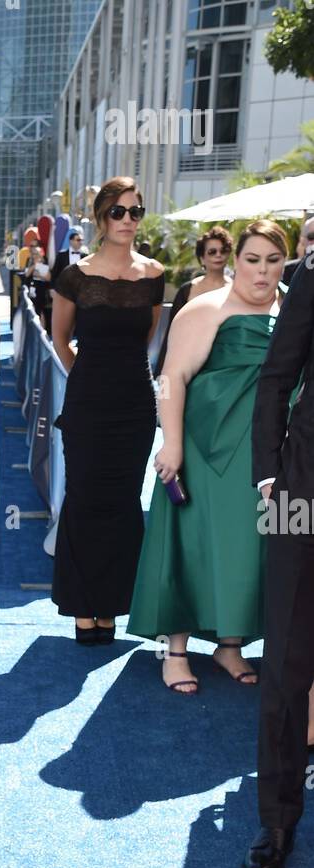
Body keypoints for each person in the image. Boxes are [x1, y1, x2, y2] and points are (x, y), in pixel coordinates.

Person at [128, 220, 288, 692]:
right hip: (205, 449)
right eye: (252, 260)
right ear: (235, 259)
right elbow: (172, 378)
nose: (262, 272)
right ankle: (174, 652)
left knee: (245, 549)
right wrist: (172, 444)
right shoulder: (205, 309)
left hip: (262, 455)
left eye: (273, 261)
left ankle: (229, 645)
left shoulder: (290, 309)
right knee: (191, 544)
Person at [50, 176, 164, 644]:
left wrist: (124, 382)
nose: (128, 220)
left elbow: (149, 341)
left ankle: (112, 604)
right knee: (84, 498)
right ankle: (82, 606)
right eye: (118, 211)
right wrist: (89, 378)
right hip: (88, 403)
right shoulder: (75, 275)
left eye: (135, 211)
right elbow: (60, 340)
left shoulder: (154, 274)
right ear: (100, 218)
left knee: (122, 503)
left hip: (136, 405)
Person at [244, 248, 314, 868]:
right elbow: (276, 377)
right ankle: (277, 819)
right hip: (300, 497)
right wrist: (269, 478)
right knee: (286, 662)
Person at [153, 226, 232, 378]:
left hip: (224, 365)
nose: (218, 255)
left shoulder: (236, 289)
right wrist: (162, 377)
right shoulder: (187, 290)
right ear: (202, 258)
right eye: (212, 251)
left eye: (223, 250)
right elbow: (172, 334)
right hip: (189, 365)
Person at [22, 244, 52, 331]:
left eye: (36, 253)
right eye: (33, 253)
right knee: (31, 309)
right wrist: (34, 265)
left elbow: (48, 278)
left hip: (40, 290)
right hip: (30, 288)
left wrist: (39, 274)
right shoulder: (29, 262)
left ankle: (42, 330)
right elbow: (27, 274)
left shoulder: (44, 263)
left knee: (40, 310)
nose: (34, 255)